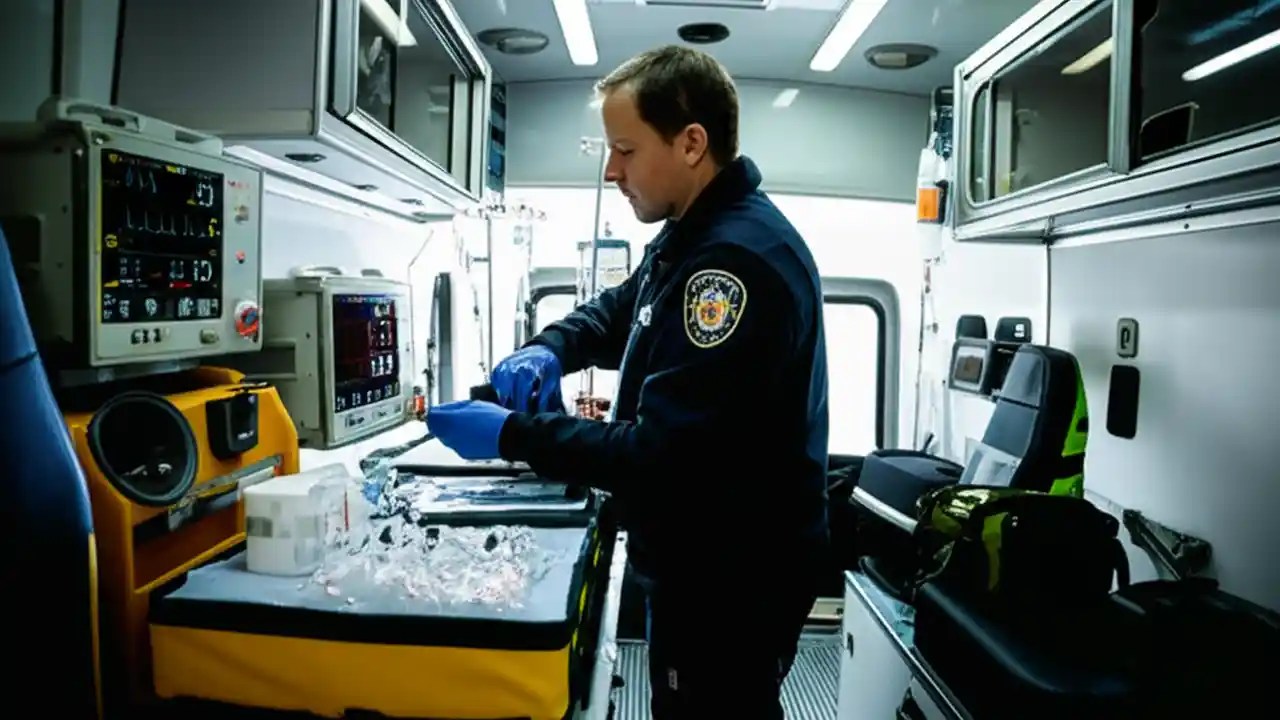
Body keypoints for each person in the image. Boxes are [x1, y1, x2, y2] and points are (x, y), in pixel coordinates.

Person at [428, 44, 830, 719]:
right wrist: (550, 348)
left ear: (692, 143)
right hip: (713, 558)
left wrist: (513, 433)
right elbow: (622, 311)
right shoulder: (693, 235)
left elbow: (663, 457)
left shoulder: (731, 264)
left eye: (625, 150)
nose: (611, 170)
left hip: (731, 578)